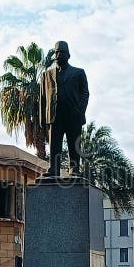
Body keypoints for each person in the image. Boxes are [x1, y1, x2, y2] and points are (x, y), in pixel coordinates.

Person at [38, 40, 89, 177]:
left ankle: (74, 169)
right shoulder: (46, 75)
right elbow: (43, 98)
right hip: (54, 115)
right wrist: (43, 117)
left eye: (62, 52)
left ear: (68, 55)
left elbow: (85, 93)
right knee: (54, 144)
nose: (59, 55)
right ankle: (53, 169)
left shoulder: (78, 73)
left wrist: (79, 110)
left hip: (73, 115)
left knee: (74, 143)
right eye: (56, 52)